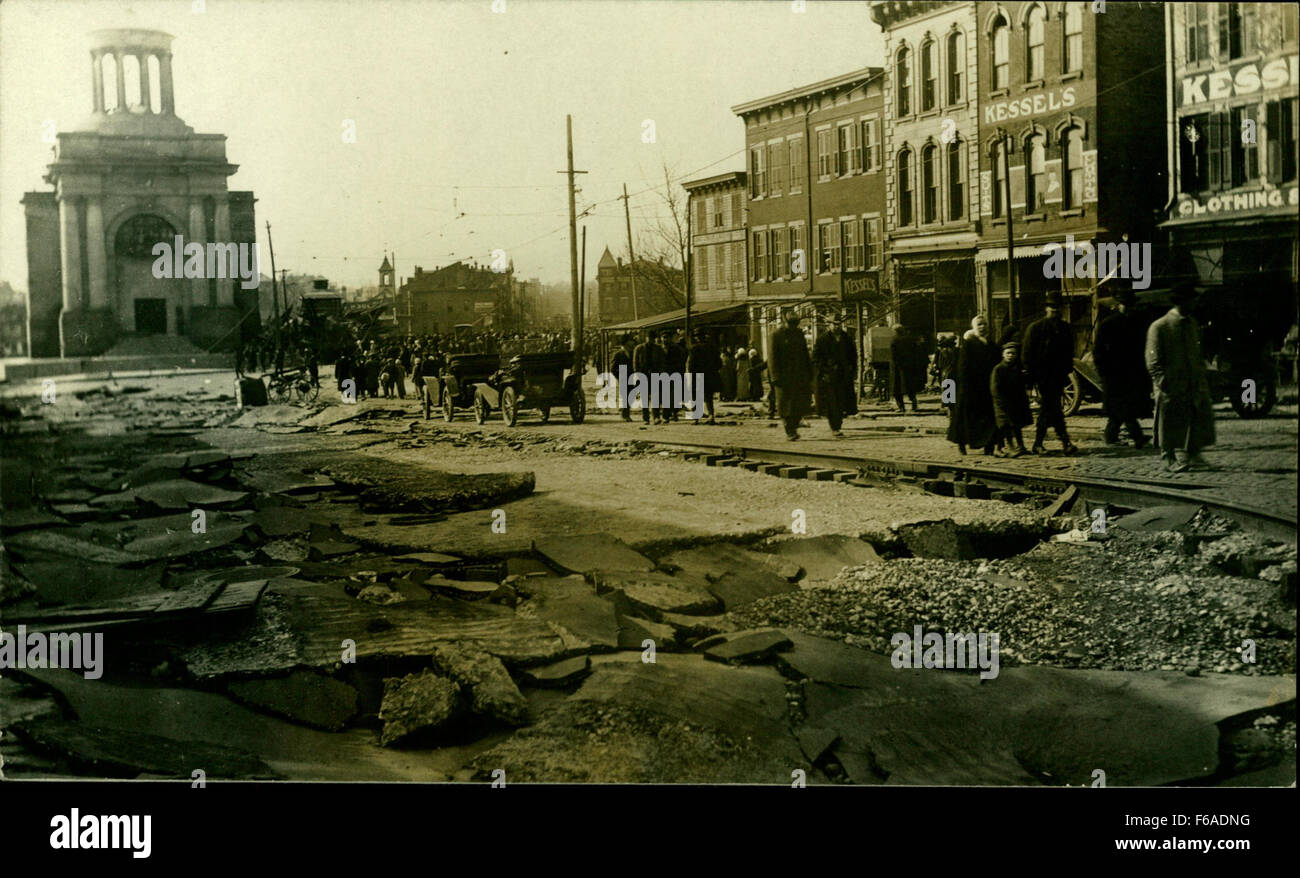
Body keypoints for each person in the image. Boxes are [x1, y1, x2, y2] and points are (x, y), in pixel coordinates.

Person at [1145, 282, 1215, 472]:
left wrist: (1200, 376)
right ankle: (1167, 458)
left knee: (1194, 419)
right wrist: (1163, 382)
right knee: (1168, 422)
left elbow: (1196, 352)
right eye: (1191, 301)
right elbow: (1153, 360)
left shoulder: (1191, 324)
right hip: (1170, 385)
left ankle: (1193, 455)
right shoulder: (1159, 327)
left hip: (1191, 382)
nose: (1194, 304)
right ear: (1181, 302)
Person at [1093, 287, 1151, 448]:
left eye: (1131, 305)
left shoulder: (1138, 323)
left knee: (1120, 408)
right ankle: (1137, 436)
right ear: (1118, 305)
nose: (1128, 308)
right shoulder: (1107, 324)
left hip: (1131, 373)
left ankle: (1111, 436)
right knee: (1123, 407)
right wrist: (1103, 370)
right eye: (1125, 304)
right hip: (1113, 373)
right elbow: (1098, 350)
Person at [1023, 292, 1079, 455]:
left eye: (1057, 307)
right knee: (1051, 408)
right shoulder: (1035, 328)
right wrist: (1030, 380)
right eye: (1051, 307)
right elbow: (1027, 355)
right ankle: (1062, 442)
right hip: (1042, 377)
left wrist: (1067, 371)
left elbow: (1069, 352)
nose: (1054, 310)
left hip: (1059, 377)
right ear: (1046, 308)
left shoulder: (1065, 328)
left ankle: (1044, 443)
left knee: (1052, 410)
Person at [946, 315, 999, 455]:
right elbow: (961, 369)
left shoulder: (992, 345)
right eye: (979, 325)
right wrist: (961, 390)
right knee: (967, 418)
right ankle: (962, 443)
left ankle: (989, 444)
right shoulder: (968, 345)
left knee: (988, 418)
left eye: (985, 324)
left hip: (987, 388)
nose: (982, 327)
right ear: (974, 328)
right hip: (971, 388)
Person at [768, 308, 813, 440]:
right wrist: (775, 376)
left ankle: (793, 427)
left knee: (799, 405)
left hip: (799, 376)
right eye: (791, 323)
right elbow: (772, 358)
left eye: (795, 323)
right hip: (783, 377)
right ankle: (790, 431)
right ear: (785, 322)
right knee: (785, 406)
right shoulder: (775, 335)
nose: (793, 326)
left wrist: (809, 373)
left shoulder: (799, 334)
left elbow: (805, 355)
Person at [990, 341, 1032, 457]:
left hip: (1014, 403)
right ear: (1003, 354)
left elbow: (1020, 385)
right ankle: (1010, 448)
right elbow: (995, 388)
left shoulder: (1016, 369)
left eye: (1013, 353)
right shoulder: (998, 369)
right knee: (1006, 426)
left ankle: (1019, 446)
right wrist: (1001, 402)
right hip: (1002, 403)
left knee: (1016, 426)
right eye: (1008, 353)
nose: (1011, 355)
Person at [813, 317, 853, 437]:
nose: (837, 326)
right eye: (834, 324)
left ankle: (838, 424)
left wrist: (852, 369)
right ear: (828, 325)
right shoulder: (822, 339)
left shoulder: (847, 338)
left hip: (843, 375)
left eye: (839, 324)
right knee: (832, 403)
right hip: (829, 376)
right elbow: (816, 358)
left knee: (842, 401)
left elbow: (853, 355)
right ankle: (835, 426)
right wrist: (824, 370)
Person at [889, 324, 926, 413]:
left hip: (898, 369)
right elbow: (916, 355)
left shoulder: (894, 341)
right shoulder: (910, 341)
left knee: (897, 389)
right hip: (909, 368)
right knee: (910, 388)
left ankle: (901, 407)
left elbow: (893, 356)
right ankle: (914, 405)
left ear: (895, 332)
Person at [687, 331, 721, 423]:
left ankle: (696, 417)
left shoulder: (694, 349)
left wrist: (691, 373)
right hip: (709, 375)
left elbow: (691, 365)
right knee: (708, 397)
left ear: (697, 338)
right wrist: (713, 370)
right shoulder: (712, 348)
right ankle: (711, 415)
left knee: (696, 396)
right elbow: (719, 363)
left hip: (697, 375)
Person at [633, 330, 667, 424]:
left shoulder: (658, 349)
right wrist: (638, 374)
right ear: (646, 338)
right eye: (649, 338)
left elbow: (662, 362)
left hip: (655, 375)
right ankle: (646, 418)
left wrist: (660, 373)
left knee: (655, 397)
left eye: (652, 338)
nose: (651, 340)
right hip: (643, 375)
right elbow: (635, 363)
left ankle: (656, 417)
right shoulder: (639, 348)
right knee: (644, 398)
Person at [665, 329, 688, 421]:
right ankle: (669, 414)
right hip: (666, 374)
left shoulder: (676, 349)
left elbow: (681, 361)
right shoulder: (661, 349)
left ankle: (674, 413)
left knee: (674, 395)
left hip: (675, 373)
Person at [611, 333, 635, 421]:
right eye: (630, 341)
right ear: (625, 343)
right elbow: (613, 368)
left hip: (632, 377)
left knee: (631, 396)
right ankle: (625, 415)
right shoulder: (618, 354)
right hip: (623, 377)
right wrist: (619, 377)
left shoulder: (632, 353)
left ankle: (626, 413)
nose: (632, 343)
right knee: (625, 396)